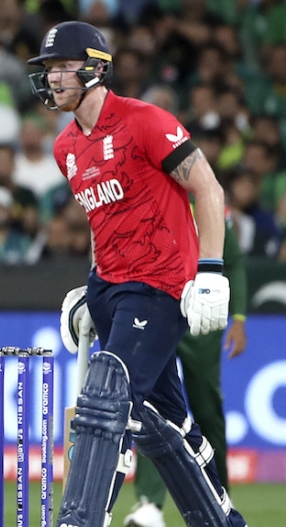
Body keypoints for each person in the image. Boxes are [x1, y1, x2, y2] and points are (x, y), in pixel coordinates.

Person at [28, 21, 248, 527]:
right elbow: (99, 221)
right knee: (162, 423)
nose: (53, 79)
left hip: (159, 285)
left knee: (108, 393)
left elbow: (208, 189)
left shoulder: (145, 120)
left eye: (62, 67)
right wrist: (90, 287)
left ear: (94, 67)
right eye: (48, 70)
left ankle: (80, 521)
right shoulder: (66, 147)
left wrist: (211, 270)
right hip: (112, 288)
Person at [125, 214, 248, 527]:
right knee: (153, 409)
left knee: (206, 409)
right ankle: (149, 503)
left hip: (201, 321)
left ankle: (220, 496)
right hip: (161, 310)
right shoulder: (150, 203)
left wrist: (239, 319)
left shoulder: (207, 207)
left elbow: (233, 262)